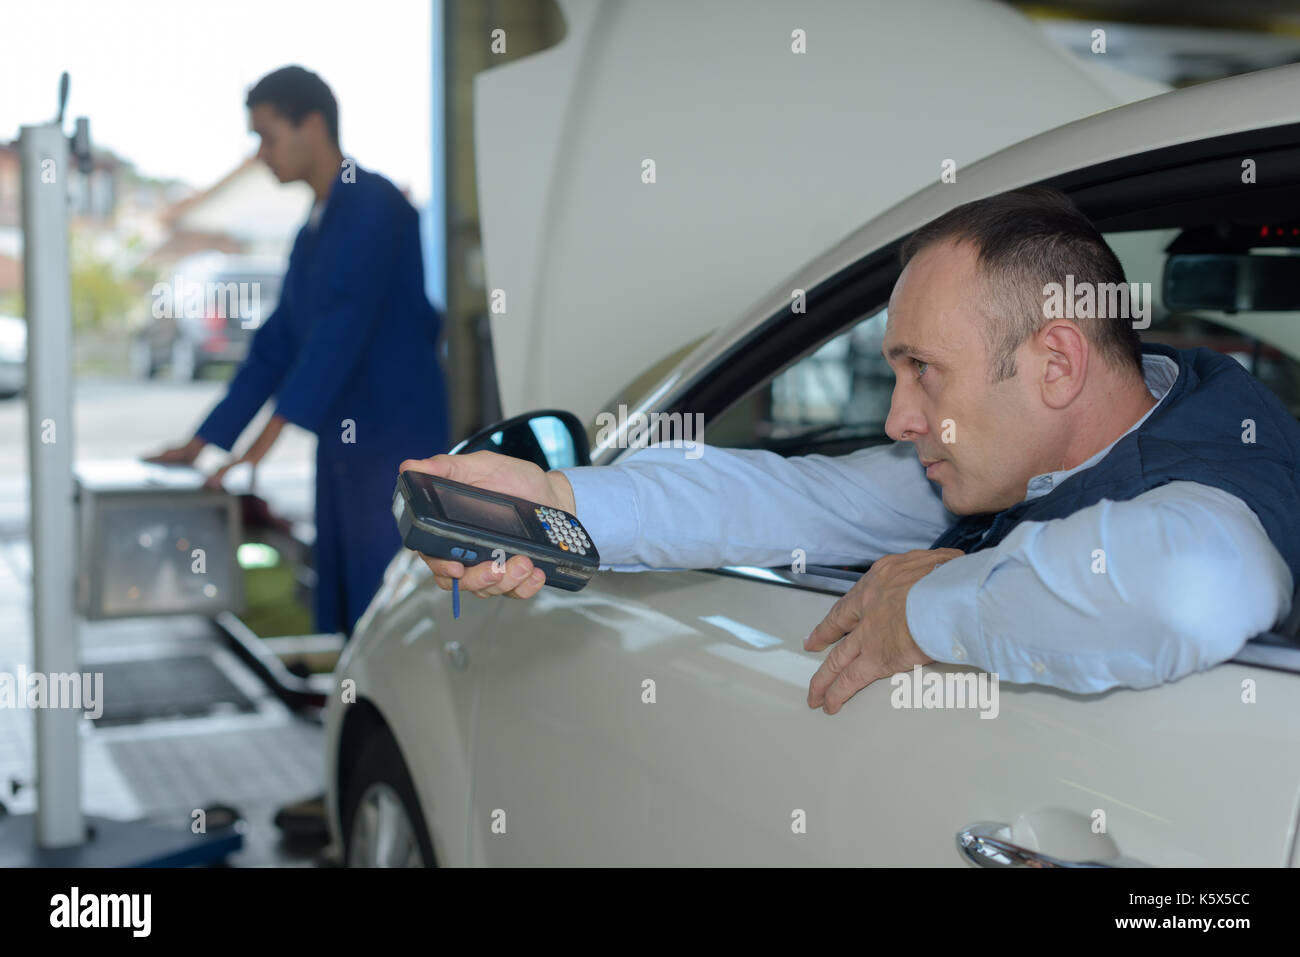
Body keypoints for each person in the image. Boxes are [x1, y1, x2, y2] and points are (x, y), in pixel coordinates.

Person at [400, 187, 1300, 714]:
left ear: (1056, 361)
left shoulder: (1227, 478)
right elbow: (798, 500)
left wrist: (927, 608)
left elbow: (1187, 589)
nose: (900, 418)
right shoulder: (1026, 449)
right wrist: (555, 493)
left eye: (924, 372)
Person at [145, 66, 448, 844]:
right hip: (346, 455)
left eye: (265, 133)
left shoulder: (374, 205)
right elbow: (282, 341)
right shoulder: (318, 225)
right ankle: (347, 780)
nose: (259, 151)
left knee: (395, 620)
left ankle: (417, 789)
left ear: (312, 124)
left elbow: (341, 331)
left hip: (394, 452)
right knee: (349, 622)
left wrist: (264, 442)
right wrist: (210, 437)